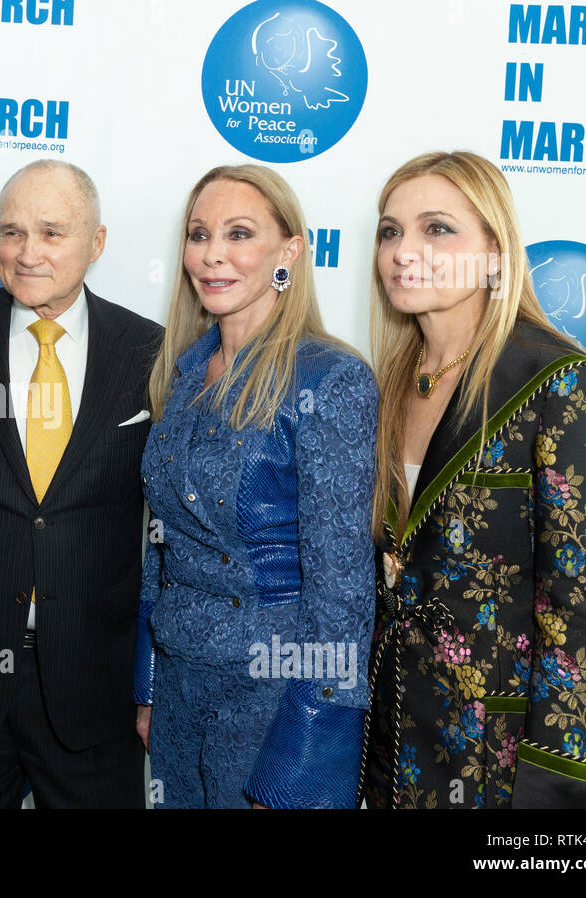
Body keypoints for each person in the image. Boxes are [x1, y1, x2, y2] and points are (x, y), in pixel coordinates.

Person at [364, 151, 586, 809]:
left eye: (437, 228)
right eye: (389, 230)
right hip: (383, 742)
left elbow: (584, 616)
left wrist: (555, 805)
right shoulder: (386, 385)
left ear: (495, 253)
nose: (406, 250)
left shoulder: (564, 386)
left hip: (496, 763)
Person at [0, 160, 162, 808]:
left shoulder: (153, 353)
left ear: (96, 243)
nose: (27, 253)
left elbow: (165, 530)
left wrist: (153, 679)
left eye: (51, 233)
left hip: (93, 683)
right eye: (12, 232)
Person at [137, 165, 377, 809]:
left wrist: (305, 759)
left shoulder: (331, 380)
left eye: (238, 233)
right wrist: (148, 685)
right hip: (180, 691)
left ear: (289, 251)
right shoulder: (182, 372)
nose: (212, 254)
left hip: (273, 698)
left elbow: (342, 593)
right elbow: (159, 550)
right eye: (199, 234)